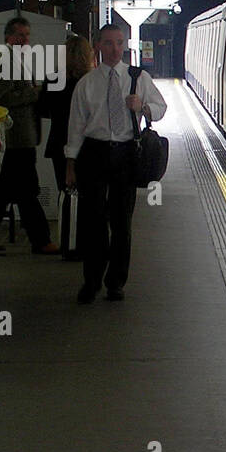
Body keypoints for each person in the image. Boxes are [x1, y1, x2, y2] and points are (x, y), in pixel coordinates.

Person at [65, 24, 167, 303]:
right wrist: (71, 163)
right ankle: (92, 280)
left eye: (120, 43)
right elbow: (76, 126)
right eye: (109, 43)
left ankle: (116, 281)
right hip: (94, 153)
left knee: (122, 221)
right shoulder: (87, 83)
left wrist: (143, 108)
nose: (115, 49)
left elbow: (161, 108)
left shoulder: (138, 78)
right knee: (93, 220)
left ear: (125, 45)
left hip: (125, 153)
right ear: (98, 46)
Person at [0, 17, 59, 254]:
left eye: (27, 36)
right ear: (8, 37)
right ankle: (41, 240)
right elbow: (2, 98)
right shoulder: (5, 62)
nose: (25, 40)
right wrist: (34, 94)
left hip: (20, 139)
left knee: (7, 191)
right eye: (20, 35)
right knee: (28, 190)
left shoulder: (17, 60)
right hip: (16, 139)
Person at [40, 33, 94, 192]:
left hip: (59, 141)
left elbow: (43, 109)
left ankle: (66, 216)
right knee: (89, 190)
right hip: (88, 142)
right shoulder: (91, 81)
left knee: (64, 190)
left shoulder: (53, 79)